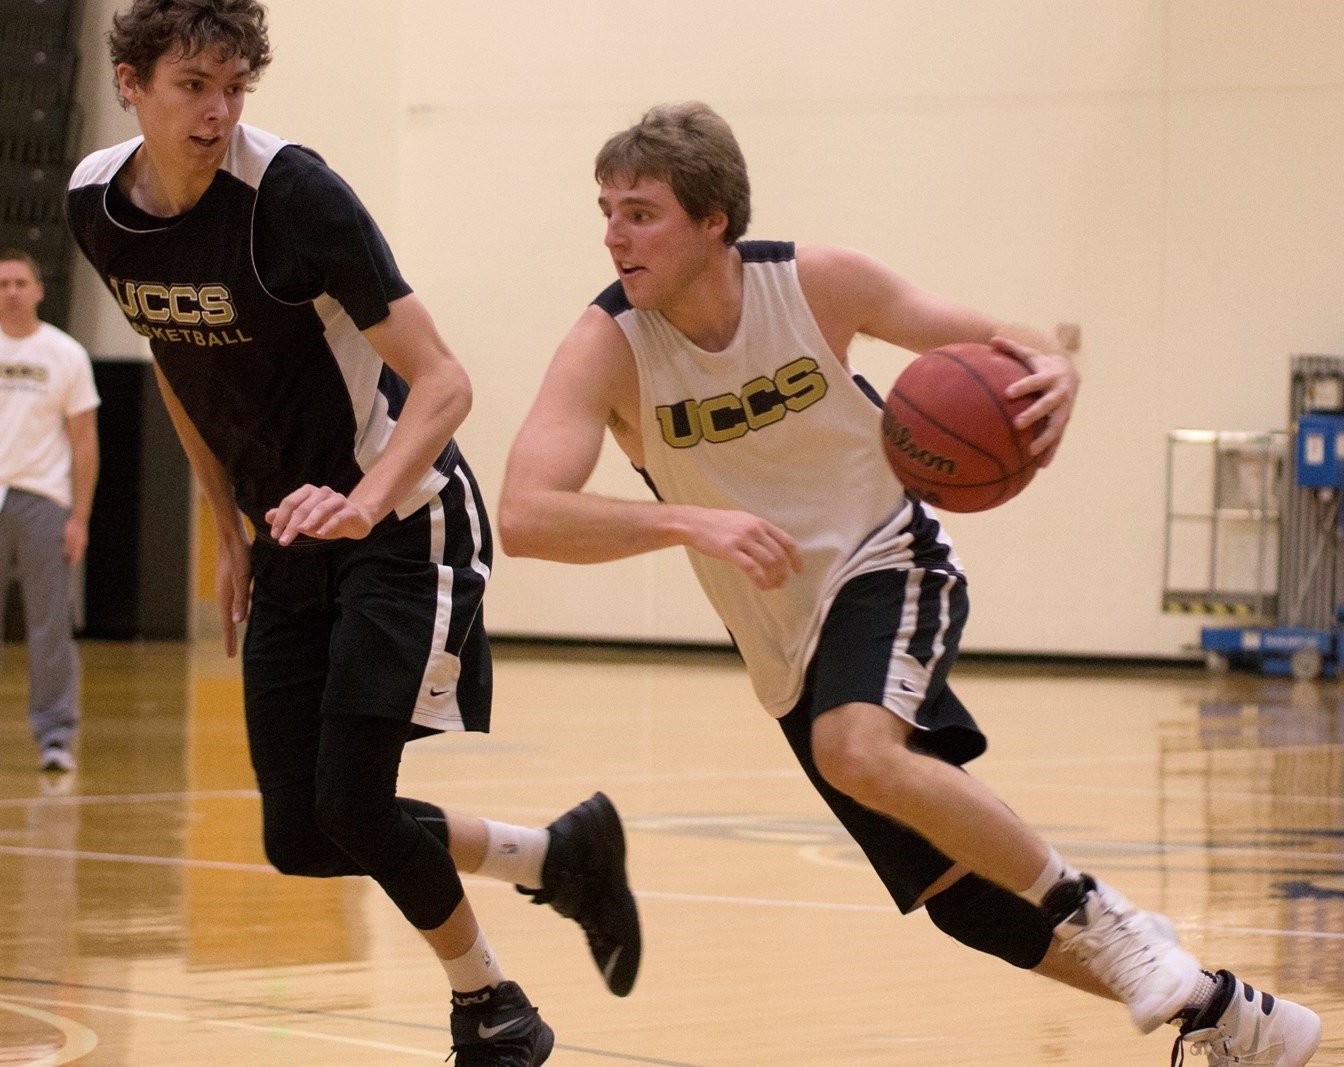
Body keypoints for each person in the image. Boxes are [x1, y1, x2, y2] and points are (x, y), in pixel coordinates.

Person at [497, 101, 1321, 1066]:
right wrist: (685, 519)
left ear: (714, 218)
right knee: (967, 904)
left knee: (856, 748)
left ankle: (1100, 912)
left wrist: (1055, 368)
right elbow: (525, 515)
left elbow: (1010, 336)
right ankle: (1235, 1016)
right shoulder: (607, 345)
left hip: (887, 555)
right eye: (606, 211)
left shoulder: (815, 284)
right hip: (781, 634)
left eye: (640, 213)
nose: (613, 235)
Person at [65, 4, 638, 1063]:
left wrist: (364, 501)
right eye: (193, 85)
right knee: (301, 832)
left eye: (235, 88)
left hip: (403, 519)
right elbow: (181, 366)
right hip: (290, 531)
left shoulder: (293, 196)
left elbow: (446, 382)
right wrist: (226, 529)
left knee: (353, 803)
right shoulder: (93, 203)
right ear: (130, 83)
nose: (218, 111)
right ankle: (558, 854)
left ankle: (493, 1008)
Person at [0, 249, 100, 774]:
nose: (12, 292)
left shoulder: (66, 354)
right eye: (2, 284)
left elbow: (84, 443)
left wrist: (78, 517)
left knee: (49, 625)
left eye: (20, 282)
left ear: (39, 290)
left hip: (43, 500)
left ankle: (55, 734)